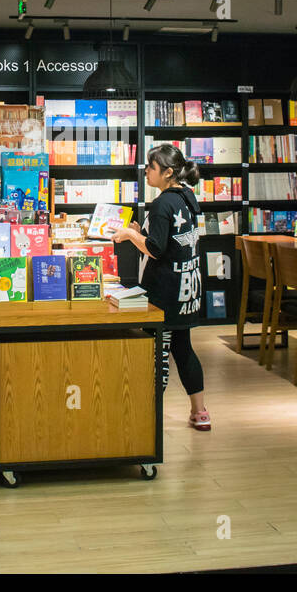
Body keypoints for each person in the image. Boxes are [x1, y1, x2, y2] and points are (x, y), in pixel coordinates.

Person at [113, 142, 210, 430]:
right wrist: (136, 231)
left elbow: (155, 249)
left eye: (151, 167)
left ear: (167, 172)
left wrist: (130, 236)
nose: (146, 171)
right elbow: (170, 238)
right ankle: (200, 411)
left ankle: (148, 417)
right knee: (183, 348)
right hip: (187, 288)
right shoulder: (187, 196)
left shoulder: (161, 204)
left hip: (165, 292)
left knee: (159, 352)